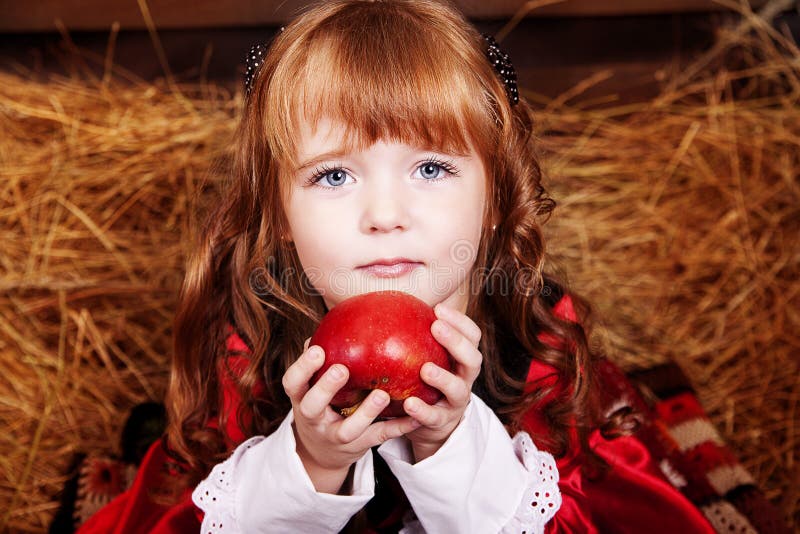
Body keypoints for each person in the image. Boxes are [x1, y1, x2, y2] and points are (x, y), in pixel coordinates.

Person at [78, 0, 717, 532]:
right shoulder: (254, 347)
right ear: (279, 215)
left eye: (432, 168)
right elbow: (205, 512)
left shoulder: (537, 343)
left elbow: (581, 516)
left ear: (495, 198)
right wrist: (311, 460)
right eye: (333, 174)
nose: (384, 214)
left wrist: (451, 446)